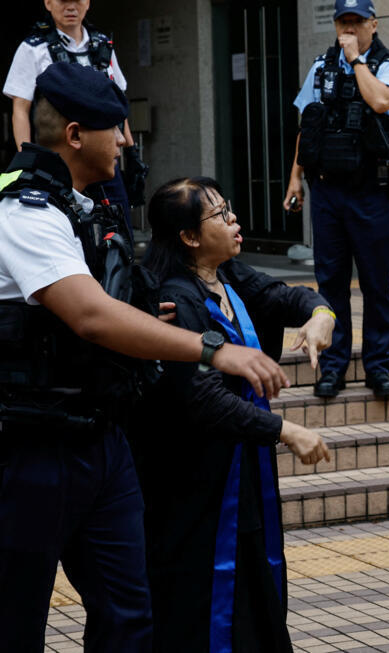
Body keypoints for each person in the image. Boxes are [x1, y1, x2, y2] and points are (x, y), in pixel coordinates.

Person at [0, 62, 288, 653]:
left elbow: (112, 307)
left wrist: (144, 316)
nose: (126, 140)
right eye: (115, 128)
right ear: (75, 135)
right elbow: (90, 315)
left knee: (131, 616)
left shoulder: (85, 207)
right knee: (15, 621)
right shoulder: (25, 213)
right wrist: (212, 349)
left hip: (103, 441)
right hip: (32, 449)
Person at [130, 177, 332, 652]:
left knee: (254, 591)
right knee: (200, 606)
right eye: (220, 215)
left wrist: (321, 316)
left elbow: (287, 296)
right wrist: (284, 430)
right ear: (189, 237)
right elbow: (201, 398)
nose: (234, 219)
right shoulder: (175, 299)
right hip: (193, 485)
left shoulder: (229, 276)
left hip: (240, 476)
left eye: (229, 209)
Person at [283, 0, 389, 400]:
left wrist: (356, 61)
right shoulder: (321, 66)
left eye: (357, 21)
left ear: (374, 24)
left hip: (371, 191)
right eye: (343, 22)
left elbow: (382, 102)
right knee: (331, 282)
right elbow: (308, 125)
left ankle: (378, 366)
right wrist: (295, 179)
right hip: (327, 191)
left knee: (375, 282)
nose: (349, 29)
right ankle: (333, 367)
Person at [3, 0, 139, 232]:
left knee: (118, 226)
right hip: (63, 160)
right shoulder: (33, 48)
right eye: (63, 1)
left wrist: (131, 152)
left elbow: (117, 105)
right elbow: (21, 109)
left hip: (103, 156)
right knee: (67, 224)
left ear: (87, 2)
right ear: (48, 3)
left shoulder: (103, 44)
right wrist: (26, 158)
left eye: (77, 0)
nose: (71, 7)